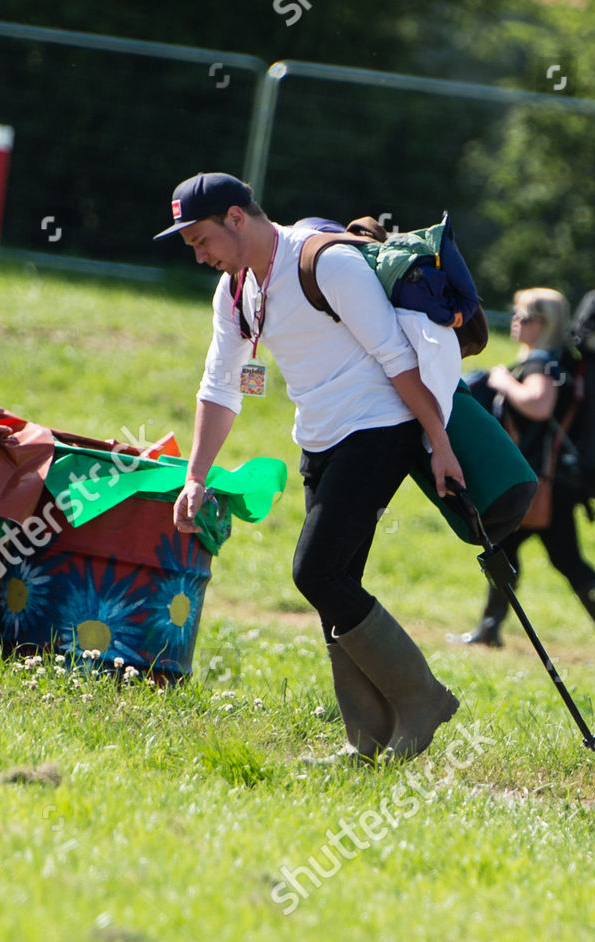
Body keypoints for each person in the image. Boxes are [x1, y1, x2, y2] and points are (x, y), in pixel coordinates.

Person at [157, 172, 465, 763]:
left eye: (200, 239)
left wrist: (439, 442)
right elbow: (221, 386)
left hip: (379, 426)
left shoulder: (326, 264)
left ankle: (421, 699)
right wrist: (195, 475)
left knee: (315, 572)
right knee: (336, 582)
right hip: (320, 438)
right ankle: (366, 741)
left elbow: (397, 359)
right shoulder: (235, 292)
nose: (198, 255)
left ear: (237, 218)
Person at [457, 288, 595, 647]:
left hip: (546, 484)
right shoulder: (559, 361)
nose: (517, 322)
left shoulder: (542, 364)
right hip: (549, 479)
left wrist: (503, 383)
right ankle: (489, 628)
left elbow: (539, 404)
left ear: (545, 324)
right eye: (516, 314)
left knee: (565, 560)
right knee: (510, 550)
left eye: (525, 317)